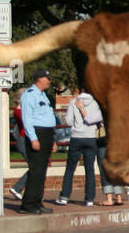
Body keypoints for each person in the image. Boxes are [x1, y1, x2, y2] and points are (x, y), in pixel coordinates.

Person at [56, 90, 106, 206]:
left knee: (70, 168)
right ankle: (89, 199)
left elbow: (68, 120)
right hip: (91, 138)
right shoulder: (96, 103)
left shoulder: (74, 101)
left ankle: (64, 196)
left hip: (77, 137)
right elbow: (97, 119)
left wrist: (76, 124)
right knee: (90, 169)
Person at [18, 69, 58, 214]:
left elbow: (48, 117)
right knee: (36, 170)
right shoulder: (29, 95)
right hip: (37, 133)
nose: (49, 81)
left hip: (47, 134)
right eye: (47, 78)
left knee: (42, 171)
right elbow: (27, 119)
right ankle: (28, 204)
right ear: (40, 79)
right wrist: (33, 138)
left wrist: (52, 140)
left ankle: (37, 202)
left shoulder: (43, 95)